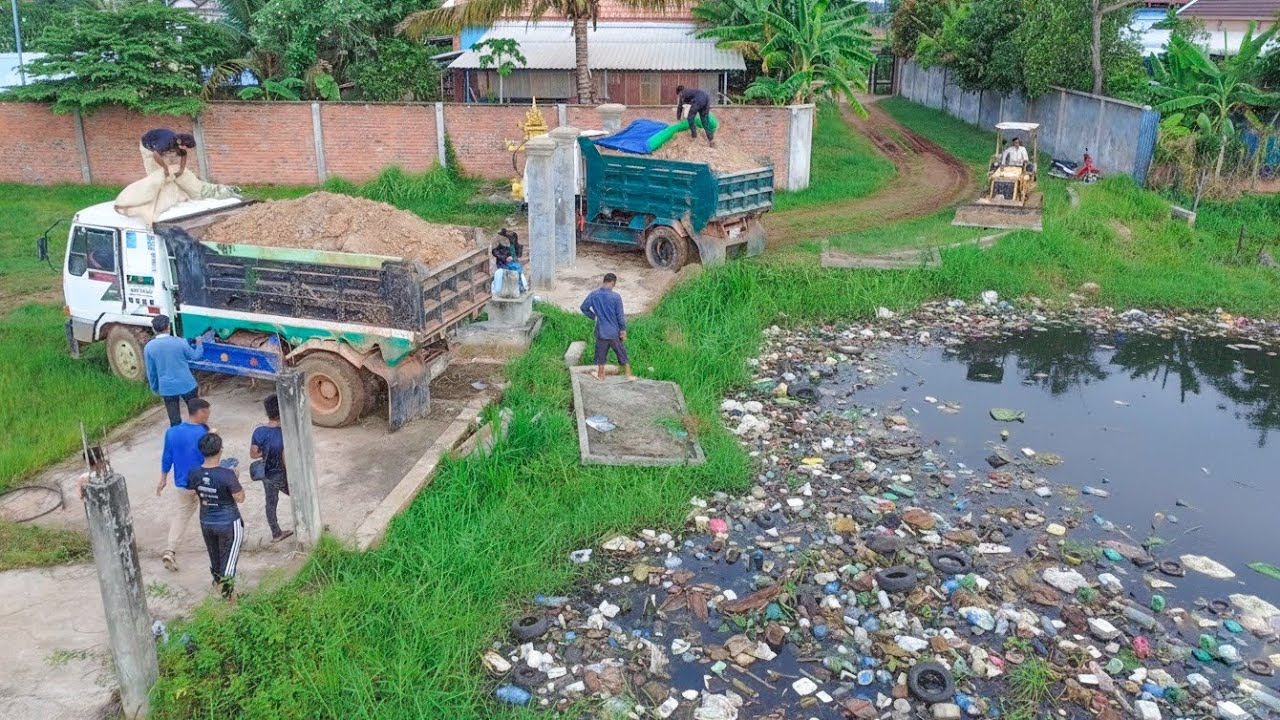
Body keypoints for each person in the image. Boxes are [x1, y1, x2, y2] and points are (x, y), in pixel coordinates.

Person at [157, 398, 211, 572]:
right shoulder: (203, 432)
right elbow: (210, 456)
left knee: (181, 516)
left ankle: (170, 549)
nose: (208, 416)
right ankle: (217, 545)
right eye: (207, 412)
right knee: (211, 511)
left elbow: (167, 456)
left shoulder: (171, 432)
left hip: (182, 483)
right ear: (201, 412)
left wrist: (163, 478)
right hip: (203, 481)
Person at [189, 433, 245, 601]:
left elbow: (192, 492)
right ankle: (229, 604)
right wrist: (236, 478)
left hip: (206, 521)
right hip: (229, 523)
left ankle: (223, 591)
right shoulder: (227, 474)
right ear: (220, 451)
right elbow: (240, 498)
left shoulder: (194, 472)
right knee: (229, 564)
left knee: (216, 559)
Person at [144, 314, 203, 427]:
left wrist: (155, 388)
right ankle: (200, 436)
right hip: (187, 384)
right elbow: (195, 356)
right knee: (196, 414)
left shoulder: (149, 347)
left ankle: (178, 440)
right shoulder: (180, 342)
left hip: (167, 387)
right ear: (168, 327)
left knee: (174, 420)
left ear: (153, 329)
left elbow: (151, 372)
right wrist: (199, 344)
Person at [250, 394, 293, 543]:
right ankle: (306, 526)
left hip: (266, 473)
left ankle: (276, 533)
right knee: (298, 496)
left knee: (270, 502)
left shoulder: (259, 431)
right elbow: (285, 459)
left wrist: (266, 451)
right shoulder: (284, 434)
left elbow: (253, 454)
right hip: (280, 473)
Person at [580, 273, 632, 381]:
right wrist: (623, 330)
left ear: (604, 281)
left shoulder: (594, 295)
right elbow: (620, 316)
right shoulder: (616, 297)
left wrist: (594, 316)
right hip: (614, 332)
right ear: (613, 283)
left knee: (601, 355)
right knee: (621, 353)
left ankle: (601, 375)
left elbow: (583, 307)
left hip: (601, 332)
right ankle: (628, 375)